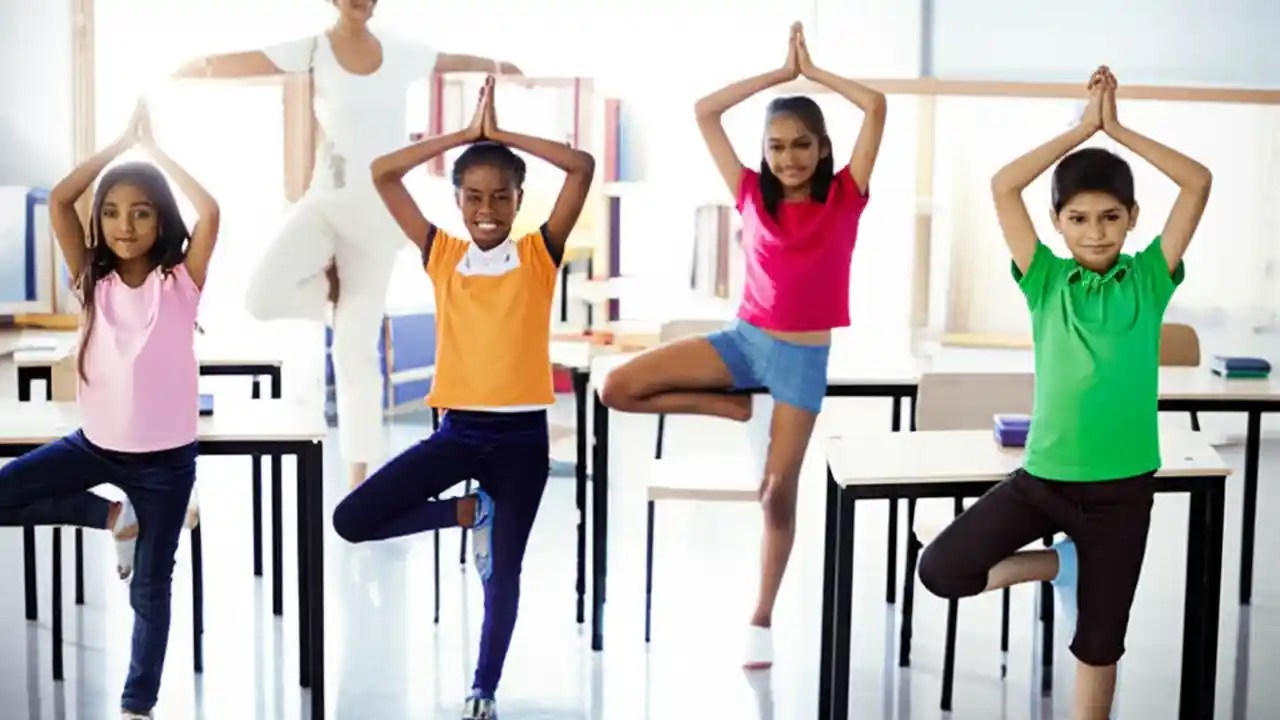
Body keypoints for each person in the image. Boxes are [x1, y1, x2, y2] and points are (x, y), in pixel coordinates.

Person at [917, 66, 1212, 720]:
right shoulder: (1044, 281)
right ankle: (1058, 567)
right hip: (1042, 481)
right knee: (941, 570)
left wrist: (1119, 129)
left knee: (1099, 645)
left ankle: (1073, 575)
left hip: (1123, 492)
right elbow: (1003, 186)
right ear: (1056, 221)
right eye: (1078, 217)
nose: (1096, 231)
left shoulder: (1150, 281)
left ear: (1133, 218)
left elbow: (1198, 183)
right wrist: (1081, 128)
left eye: (1111, 216)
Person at [599, 21, 887, 669]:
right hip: (744, 341)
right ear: (765, 150)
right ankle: (734, 408)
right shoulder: (751, 192)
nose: (789, 157)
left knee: (775, 495)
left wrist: (814, 75)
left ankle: (760, 615)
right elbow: (705, 111)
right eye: (778, 145)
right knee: (616, 387)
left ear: (821, 148)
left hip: (802, 362)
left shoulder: (846, 195)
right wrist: (779, 77)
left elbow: (876, 106)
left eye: (802, 145)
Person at [171, 0, 524, 487]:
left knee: (355, 353)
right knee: (261, 296)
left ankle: (359, 476)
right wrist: (196, 67)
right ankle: (332, 296)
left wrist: (500, 68)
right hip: (326, 203)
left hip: (378, 219)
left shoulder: (400, 53)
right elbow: (252, 59)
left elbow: (448, 60)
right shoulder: (314, 50)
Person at [331, 75, 595, 720]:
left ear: (517, 200)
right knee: (351, 520)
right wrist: (463, 136)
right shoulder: (441, 253)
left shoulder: (539, 253)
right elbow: (383, 174)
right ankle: (466, 513)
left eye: (500, 197)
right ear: (455, 199)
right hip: (457, 432)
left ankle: (484, 687)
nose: (486, 208)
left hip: (523, 439)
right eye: (472, 195)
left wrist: (500, 134)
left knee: (504, 576)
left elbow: (581, 167)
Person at [0, 101, 219, 720]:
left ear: (159, 221)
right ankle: (109, 516)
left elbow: (213, 212)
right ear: (101, 221)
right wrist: (121, 144)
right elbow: (64, 198)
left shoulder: (182, 283)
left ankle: (135, 707)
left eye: (141, 212)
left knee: (151, 589)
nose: (126, 225)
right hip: (93, 444)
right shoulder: (89, 279)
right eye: (115, 212)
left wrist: (156, 153)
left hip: (166, 464)